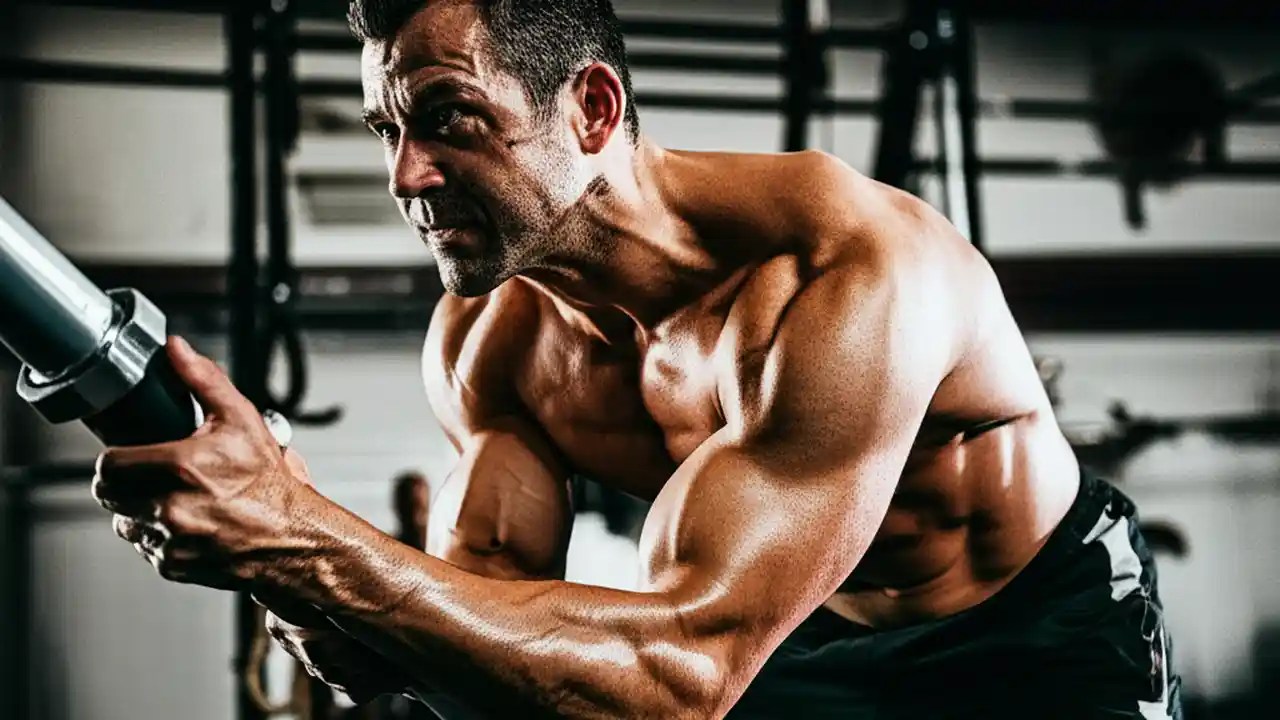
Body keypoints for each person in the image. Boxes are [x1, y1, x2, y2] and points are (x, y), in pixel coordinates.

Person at [91, 0, 1181, 717]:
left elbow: (681, 679)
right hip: (786, 645)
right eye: (387, 129)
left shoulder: (842, 269)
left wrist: (307, 540)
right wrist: (285, 557)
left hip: (1032, 642)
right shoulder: (489, 340)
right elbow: (479, 636)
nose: (406, 176)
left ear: (593, 108)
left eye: (448, 120)